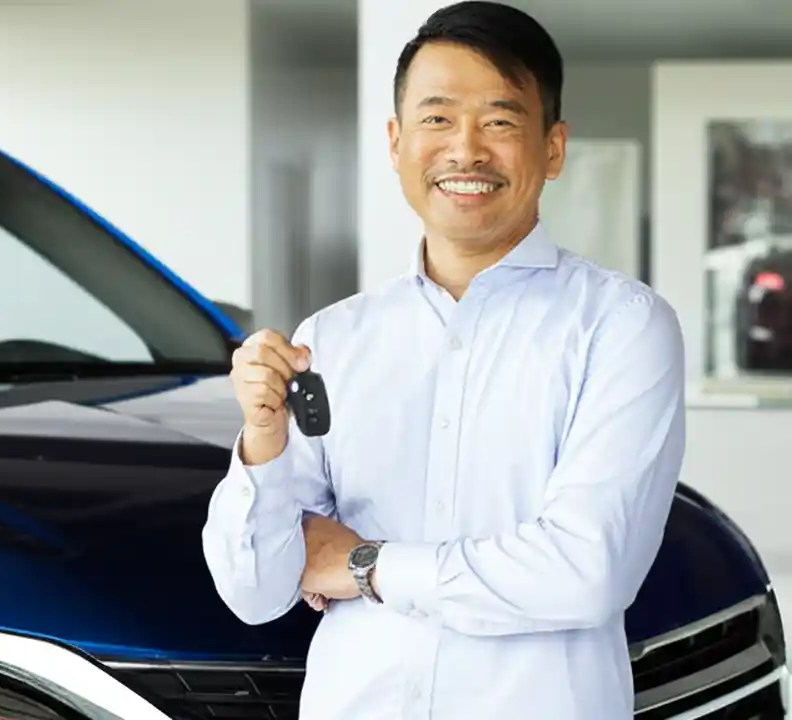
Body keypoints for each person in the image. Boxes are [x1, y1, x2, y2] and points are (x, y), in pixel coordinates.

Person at [200, 2, 686, 719]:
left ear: (552, 148)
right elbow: (256, 591)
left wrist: (363, 564)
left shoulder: (622, 327)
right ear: (395, 143)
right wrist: (263, 446)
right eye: (436, 119)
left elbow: (585, 570)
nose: (465, 150)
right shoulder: (334, 338)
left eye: (499, 120)